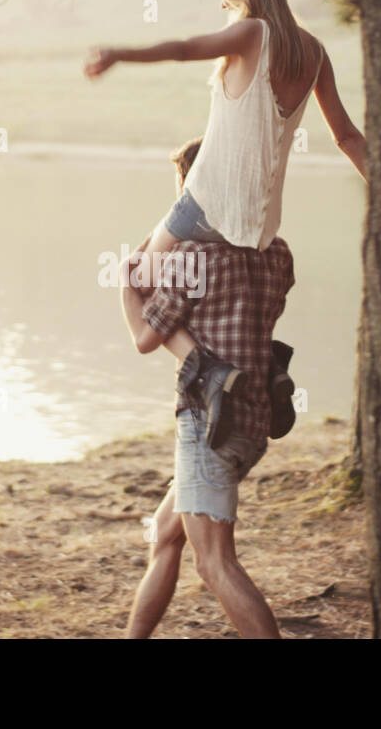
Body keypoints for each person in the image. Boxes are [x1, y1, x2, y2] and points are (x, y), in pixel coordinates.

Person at [85, 0, 367, 445]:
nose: (222, 5)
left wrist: (119, 54)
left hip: (205, 203)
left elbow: (182, 48)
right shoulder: (314, 52)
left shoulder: (251, 33)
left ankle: (204, 370)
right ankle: (268, 368)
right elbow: (347, 136)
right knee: (211, 298)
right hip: (260, 223)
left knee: (133, 279)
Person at [117, 221, 296, 639]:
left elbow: (146, 337)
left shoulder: (192, 258)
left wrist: (127, 286)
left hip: (209, 425)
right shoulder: (277, 253)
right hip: (252, 422)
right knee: (164, 534)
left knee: (214, 561)